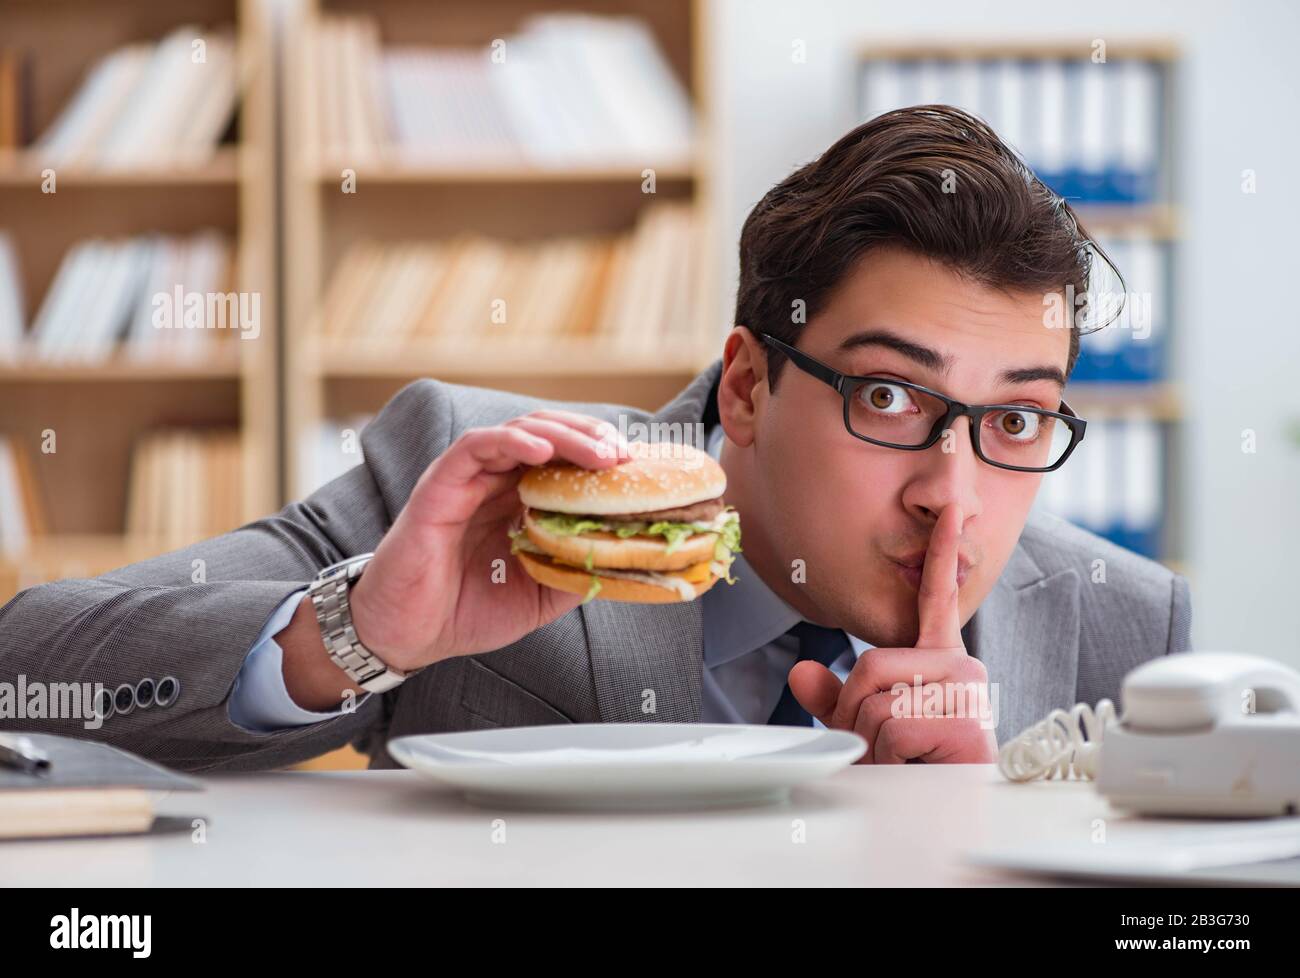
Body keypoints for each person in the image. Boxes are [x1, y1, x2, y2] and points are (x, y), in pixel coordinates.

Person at [0, 106, 1190, 771]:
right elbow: (29, 673)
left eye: (1017, 418)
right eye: (887, 398)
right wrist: (356, 635)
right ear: (744, 390)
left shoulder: (1126, 625)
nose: (953, 493)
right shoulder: (481, 482)